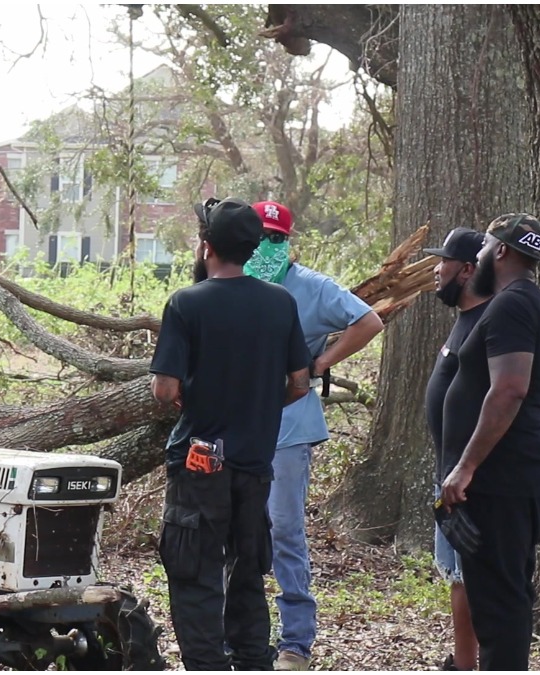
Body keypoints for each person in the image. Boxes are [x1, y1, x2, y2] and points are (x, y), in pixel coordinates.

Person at [150, 197, 313, 671]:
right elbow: (300, 384)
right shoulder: (281, 302)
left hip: (199, 466)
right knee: (246, 574)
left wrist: (192, 396)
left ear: (206, 248)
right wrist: (258, 404)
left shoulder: (186, 303)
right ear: (254, 247)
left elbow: (164, 390)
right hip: (254, 465)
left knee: (194, 576)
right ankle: (252, 663)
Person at [244, 201, 385, 671]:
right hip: (236, 427)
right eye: (259, 235)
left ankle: (295, 642)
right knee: (238, 532)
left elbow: (369, 321)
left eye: (275, 237)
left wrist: (319, 365)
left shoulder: (313, 287)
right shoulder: (230, 282)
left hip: (289, 427)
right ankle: (243, 635)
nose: (266, 245)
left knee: (284, 529)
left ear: (288, 239)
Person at [439, 213, 540, 671]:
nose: (477, 255)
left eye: (484, 247)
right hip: (514, 474)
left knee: (499, 605)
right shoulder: (534, 304)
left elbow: (510, 388)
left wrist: (467, 466)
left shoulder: (512, 305)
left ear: (502, 252)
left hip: (500, 483)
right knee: (503, 595)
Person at [421, 227, 490, 671]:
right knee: (456, 578)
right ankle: (462, 661)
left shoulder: (490, 321)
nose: (435, 268)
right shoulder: (464, 318)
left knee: (470, 580)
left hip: (471, 477)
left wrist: (468, 468)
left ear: (466, 270)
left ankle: (471, 665)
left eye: (443, 261)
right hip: (450, 472)